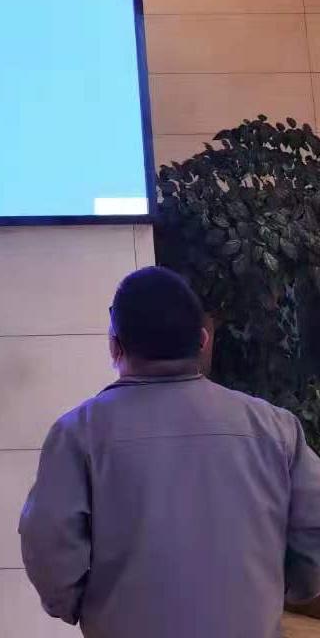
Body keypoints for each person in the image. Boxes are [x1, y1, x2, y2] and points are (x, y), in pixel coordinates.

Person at [20, 265, 320, 638]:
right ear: (203, 340)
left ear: (115, 347)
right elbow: (314, 530)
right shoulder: (276, 428)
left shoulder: (78, 434)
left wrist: (84, 605)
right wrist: (284, 589)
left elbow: (49, 547)